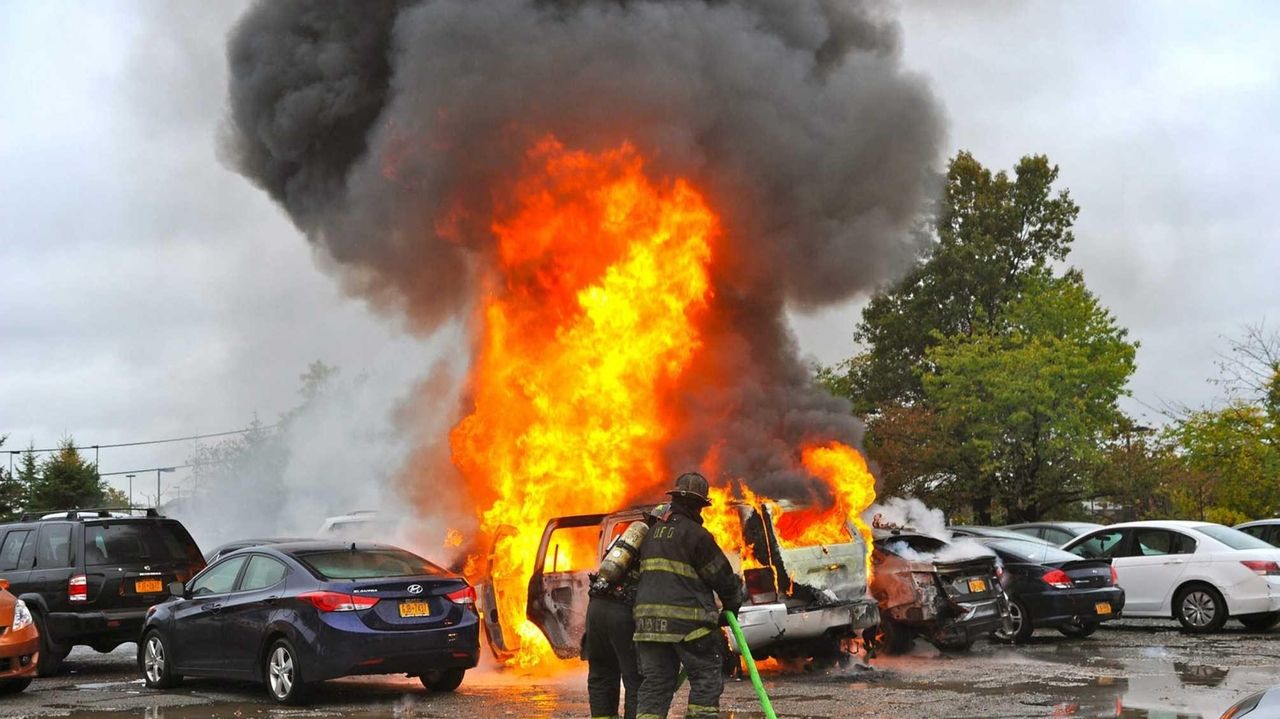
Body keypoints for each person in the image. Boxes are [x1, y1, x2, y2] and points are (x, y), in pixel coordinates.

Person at [632, 472, 744, 719]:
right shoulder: (696, 535)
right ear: (698, 505)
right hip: (688, 627)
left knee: (656, 684)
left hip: (647, 626)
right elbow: (722, 576)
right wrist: (732, 606)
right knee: (706, 678)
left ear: (674, 499)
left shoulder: (651, 534)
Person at [585, 508, 662, 719]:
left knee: (601, 676)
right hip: (623, 614)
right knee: (636, 679)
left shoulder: (623, 544)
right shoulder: (658, 546)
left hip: (596, 609)